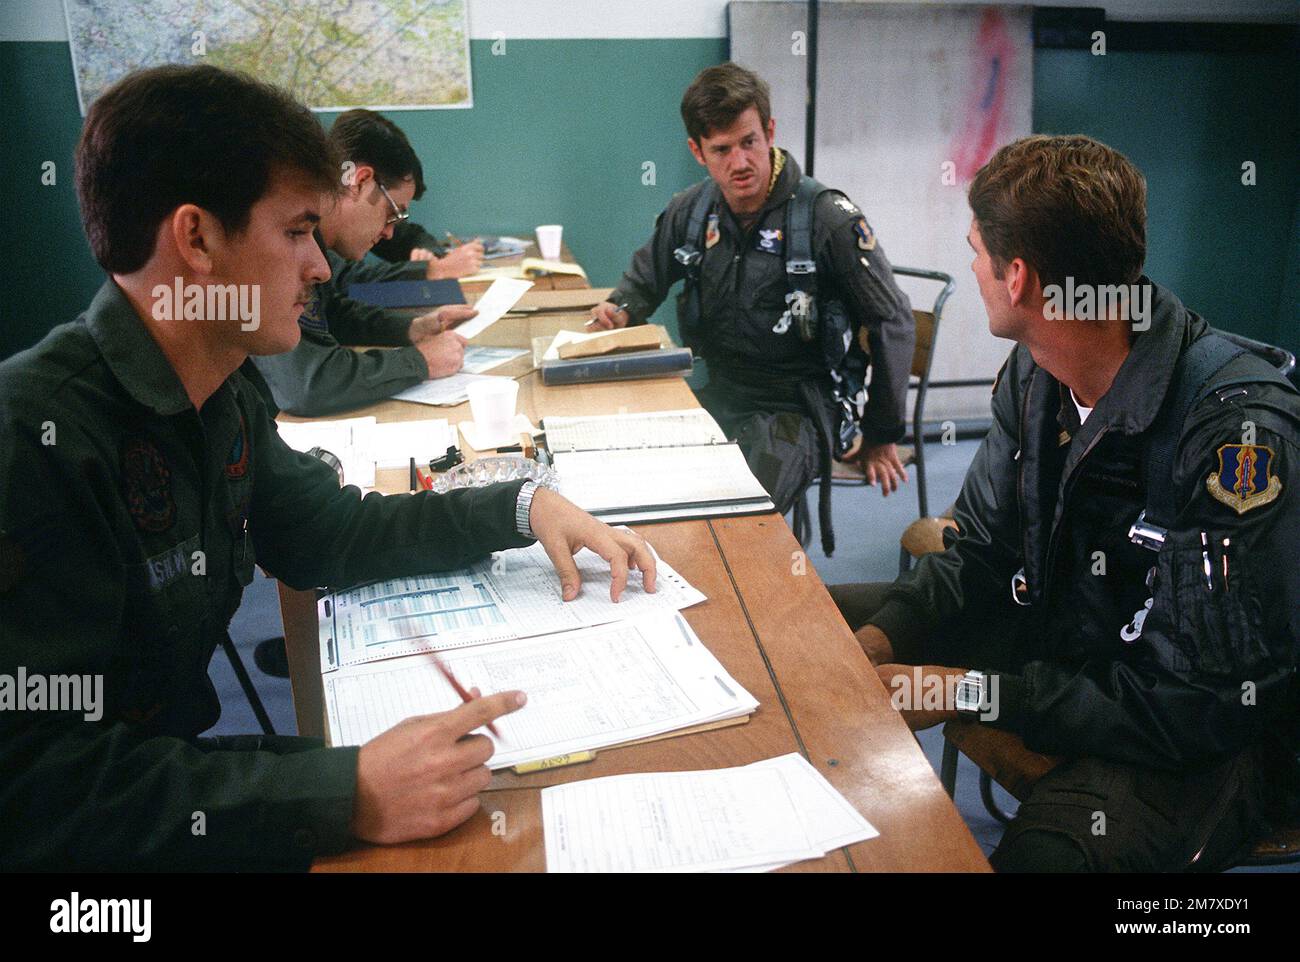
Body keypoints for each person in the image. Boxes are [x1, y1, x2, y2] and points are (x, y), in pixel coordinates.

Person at [0, 64, 656, 871]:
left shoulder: (220, 387)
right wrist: (339, 792)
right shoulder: (34, 439)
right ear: (196, 239)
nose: (318, 266)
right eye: (295, 231)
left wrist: (519, 507)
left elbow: (330, 534)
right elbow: (33, 788)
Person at [830, 134, 1299, 872]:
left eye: (977, 251)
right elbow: (983, 553)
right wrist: (886, 638)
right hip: (1064, 642)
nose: (973, 267)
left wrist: (975, 692)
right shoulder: (1036, 372)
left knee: (1048, 860)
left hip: (1186, 736)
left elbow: (1196, 702)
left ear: (1017, 278)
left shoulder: (1234, 440)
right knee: (817, 626)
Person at [589, 62, 916, 552]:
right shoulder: (691, 212)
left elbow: (894, 322)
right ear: (698, 151)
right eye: (722, 150)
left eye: (749, 142)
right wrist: (619, 308)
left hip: (799, 407)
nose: (740, 162)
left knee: (734, 522)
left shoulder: (825, 218)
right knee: (640, 483)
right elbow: (644, 280)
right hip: (718, 391)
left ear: (770, 132)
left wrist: (881, 432)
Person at [251, 110, 477, 416]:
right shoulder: (280, 240)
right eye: (392, 213)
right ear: (360, 182)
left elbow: (328, 314)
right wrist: (420, 361)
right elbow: (309, 384)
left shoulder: (310, 238)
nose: (389, 233)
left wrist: (412, 329)